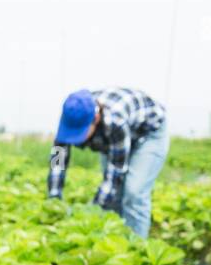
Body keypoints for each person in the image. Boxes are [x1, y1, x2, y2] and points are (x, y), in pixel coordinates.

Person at [46, 86, 170, 237]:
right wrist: (54, 198)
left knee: (134, 192)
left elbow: (114, 177)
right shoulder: (71, 117)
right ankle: (115, 242)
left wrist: (91, 212)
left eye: (81, 132)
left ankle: (136, 247)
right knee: (114, 198)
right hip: (112, 137)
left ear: (96, 119)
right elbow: (57, 162)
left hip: (148, 134)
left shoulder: (114, 120)